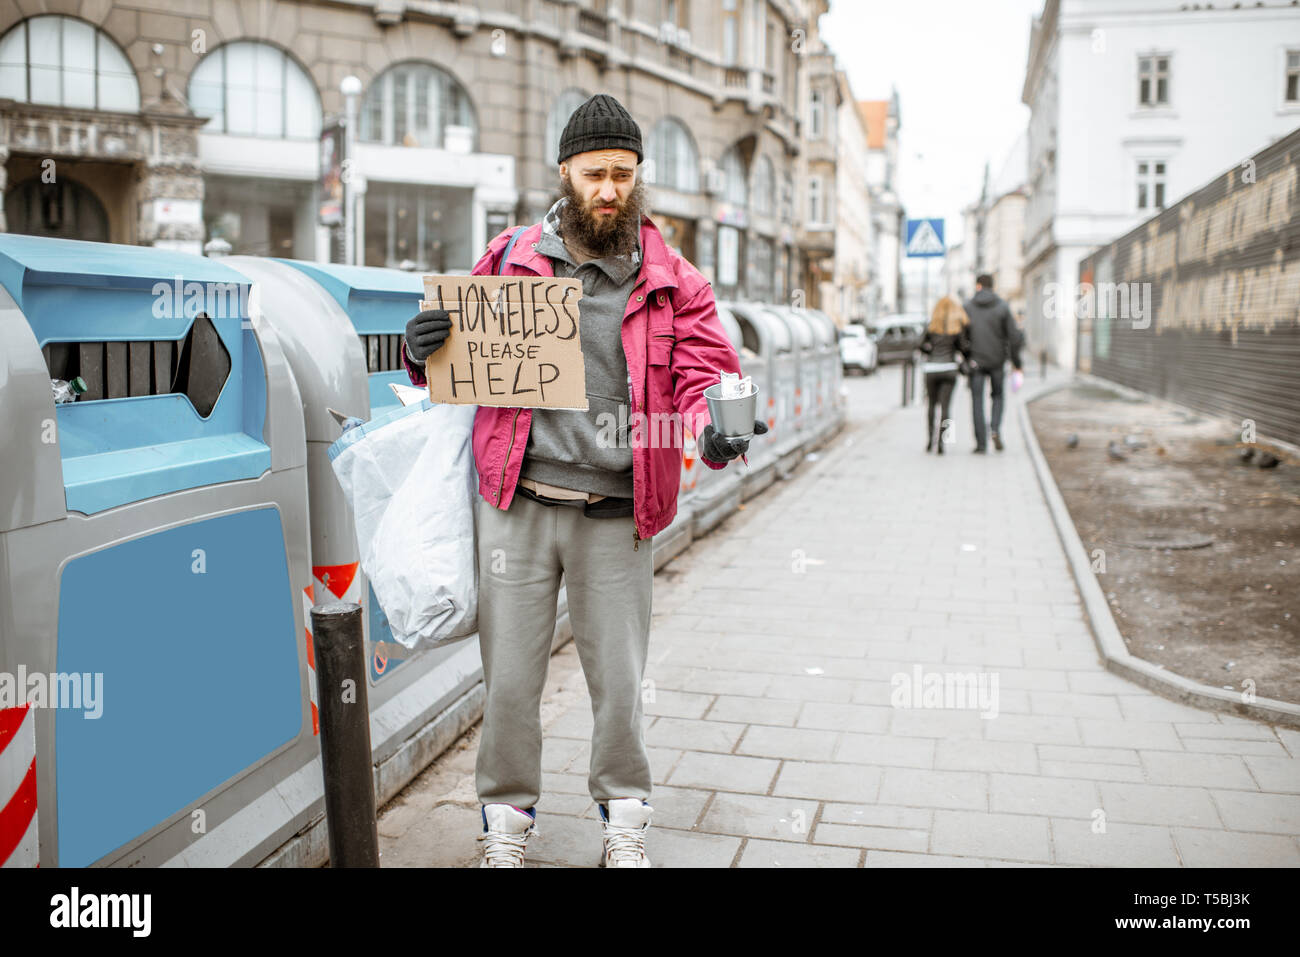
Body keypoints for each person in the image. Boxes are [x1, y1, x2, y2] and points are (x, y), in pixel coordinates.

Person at [401, 93, 765, 868]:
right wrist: (418, 347)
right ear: (565, 171)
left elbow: (706, 375)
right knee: (507, 684)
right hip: (518, 502)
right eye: (596, 172)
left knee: (620, 684)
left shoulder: (674, 281)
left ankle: (624, 820)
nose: (610, 189)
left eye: (624, 174)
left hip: (617, 509)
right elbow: (453, 360)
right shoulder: (508, 258)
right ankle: (505, 824)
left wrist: (719, 424)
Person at [962, 273, 1023, 453]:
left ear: (978, 286)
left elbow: (962, 336)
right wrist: (1016, 362)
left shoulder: (968, 307)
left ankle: (981, 444)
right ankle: (995, 429)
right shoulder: (1003, 306)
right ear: (992, 287)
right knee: (997, 396)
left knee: (977, 400)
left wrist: (967, 357)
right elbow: (1014, 337)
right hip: (997, 361)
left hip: (976, 362)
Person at [919, 296, 970, 455]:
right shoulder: (956, 328)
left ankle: (929, 441)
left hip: (932, 369)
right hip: (949, 369)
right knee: (946, 408)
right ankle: (942, 443)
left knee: (932, 405)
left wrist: (931, 350)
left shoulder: (931, 326)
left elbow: (920, 345)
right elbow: (964, 348)